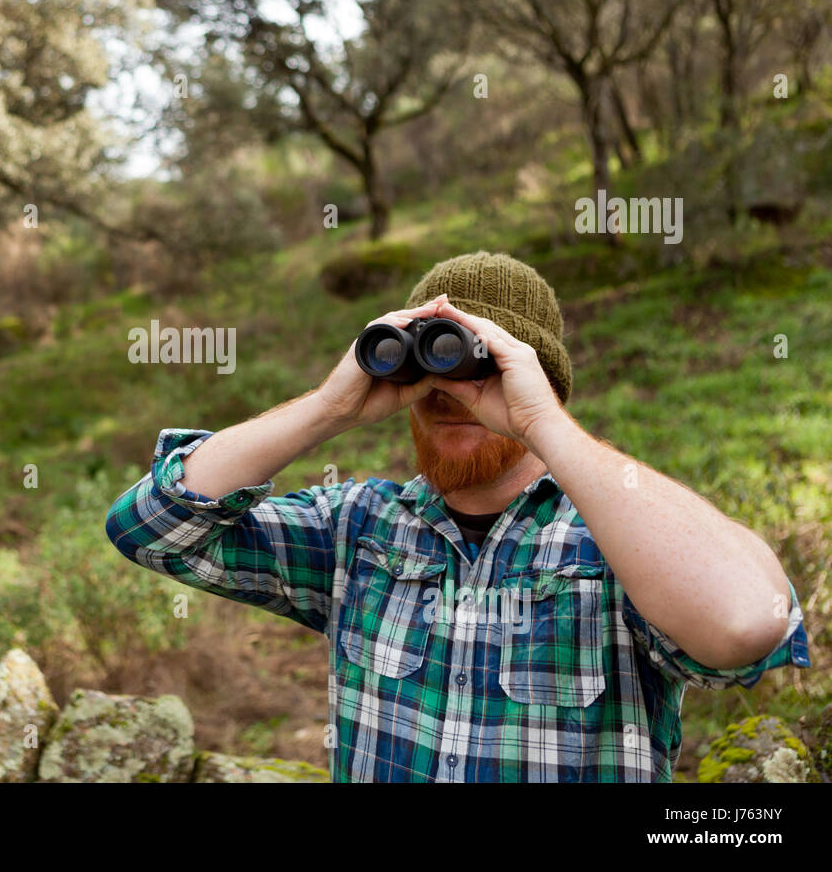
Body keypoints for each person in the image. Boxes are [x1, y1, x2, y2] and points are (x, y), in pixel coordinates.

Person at [105, 251, 810, 782]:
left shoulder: (619, 544)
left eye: (480, 370)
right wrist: (328, 409)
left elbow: (747, 622)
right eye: (426, 373)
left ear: (538, 379)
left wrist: (543, 423)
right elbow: (149, 528)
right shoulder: (358, 529)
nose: (452, 394)